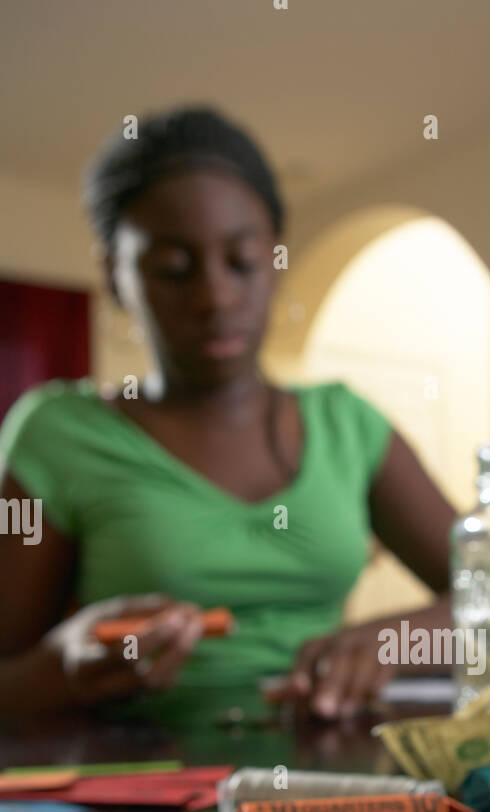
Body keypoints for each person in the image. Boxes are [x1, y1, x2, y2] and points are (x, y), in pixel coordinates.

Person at [0, 107, 457, 722]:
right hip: (137, 790)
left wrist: (396, 641)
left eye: (242, 261)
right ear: (114, 275)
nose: (215, 297)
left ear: (275, 261)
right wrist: (63, 668)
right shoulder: (53, 436)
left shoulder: (348, 426)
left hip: (323, 786)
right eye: (173, 271)